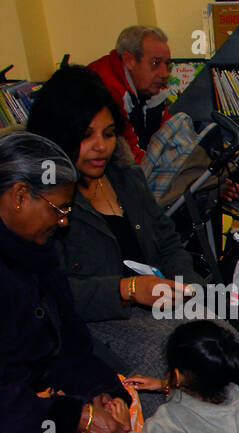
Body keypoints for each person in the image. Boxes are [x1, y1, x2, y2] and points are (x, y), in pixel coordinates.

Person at [0, 130, 155, 433]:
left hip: (25, 394)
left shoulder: (35, 252)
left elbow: (69, 344)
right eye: (59, 209)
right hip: (7, 409)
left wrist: (100, 392)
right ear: (20, 195)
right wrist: (74, 415)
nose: (64, 222)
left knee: (124, 404)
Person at [25, 66, 199, 400]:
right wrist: (128, 289)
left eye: (107, 134)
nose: (100, 147)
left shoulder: (123, 176)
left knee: (225, 340)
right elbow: (50, 292)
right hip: (99, 325)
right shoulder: (45, 199)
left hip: (161, 307)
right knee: (177, 369)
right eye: (86, 135)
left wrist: (190, 290)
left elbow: (167, 241)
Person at [87, 25, 172, 162]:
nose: (165, 73)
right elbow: (131, 159)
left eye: (167, 64)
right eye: (155, 63)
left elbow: (171, 134)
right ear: (129, 61)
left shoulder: (149, 86)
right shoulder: (106, 89)